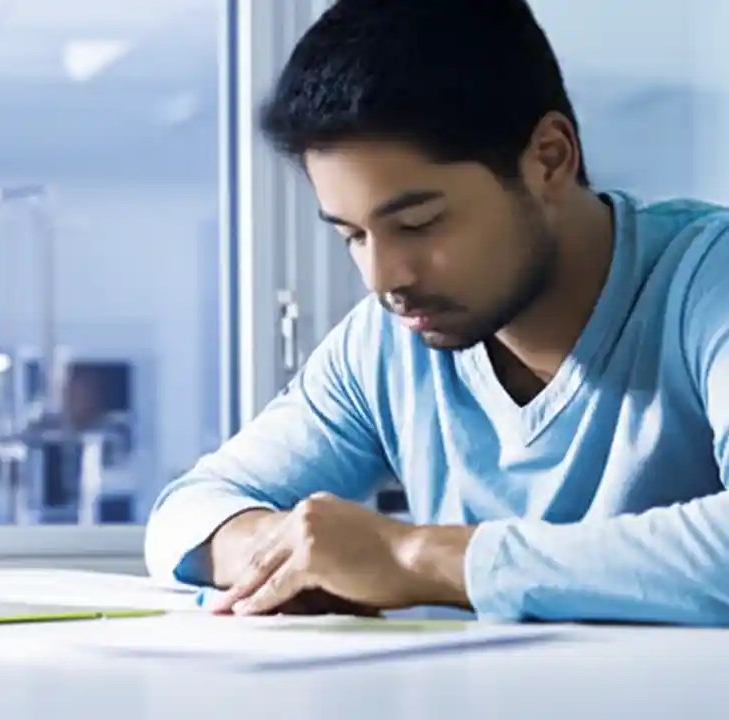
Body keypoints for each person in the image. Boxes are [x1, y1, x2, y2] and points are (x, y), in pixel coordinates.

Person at [144, 0, 729, 625]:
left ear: (550, 159)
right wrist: (289, 553)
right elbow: (187, 511)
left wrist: (417, 558)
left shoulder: (707, 282)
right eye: (352, 236)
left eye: (418, 223)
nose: (384, 278)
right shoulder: (386, 345)